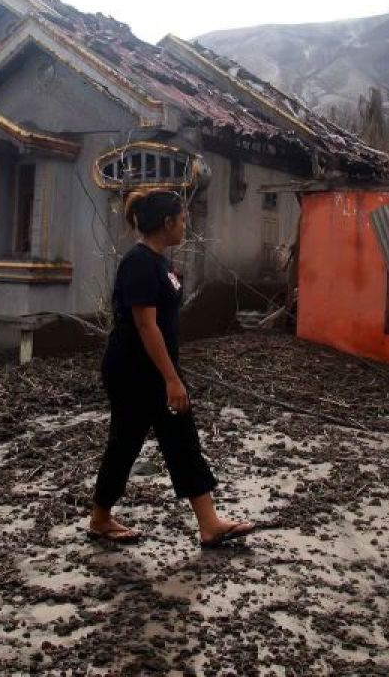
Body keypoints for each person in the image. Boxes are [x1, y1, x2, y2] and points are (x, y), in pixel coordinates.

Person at [87, 188, 256, 548]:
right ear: (166, 223)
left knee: (178, 438)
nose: (185, 226)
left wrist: (170, 374)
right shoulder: (139, 263)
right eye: (182, 220)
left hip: (154, 368)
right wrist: (171, 379)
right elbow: (147, 326)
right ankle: (101, 518)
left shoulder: (161, 262)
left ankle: (208, 522)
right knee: (127, 443)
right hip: (134, 371)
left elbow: (162, 321)